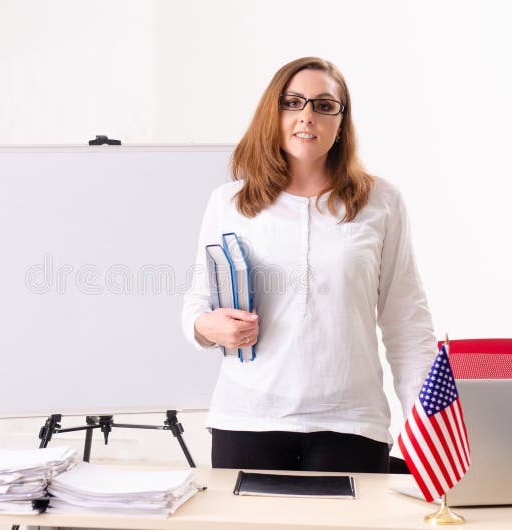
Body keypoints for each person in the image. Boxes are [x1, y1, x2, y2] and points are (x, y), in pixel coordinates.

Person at [181, 57, 437, 473]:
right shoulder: (228, 202)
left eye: (324, 105)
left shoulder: (382, 201)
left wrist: (426, 425)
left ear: (341, 121)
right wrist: (208, 327)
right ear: (273, 112)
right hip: (248, 419)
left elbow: (407, 322)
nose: (307, 116)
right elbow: (197, 305)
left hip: (351, 423)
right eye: (292, 102)